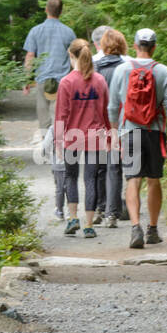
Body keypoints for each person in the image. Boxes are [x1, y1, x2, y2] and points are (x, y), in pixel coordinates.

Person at [108, 27, 167, 249]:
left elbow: (112, 106)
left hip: (129, 130)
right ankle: (153, 230)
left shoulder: (122, 70)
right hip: (155, 132)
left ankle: (135, 227)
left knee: (133, 179)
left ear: (135, 45)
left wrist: (115, 133)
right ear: (154, 46)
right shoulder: (164, 71)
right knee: (154, 179)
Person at [54, 38, 110, 238]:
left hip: (71, 137)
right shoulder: (100, 81)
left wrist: (58, 141)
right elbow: (105, 112)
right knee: (91, 179)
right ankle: (89, 225)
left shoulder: (67, 82)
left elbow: (61, 114)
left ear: (71, 56)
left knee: (70, 177)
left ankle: (72, 219)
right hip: (95, 136)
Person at [23, 0, 76, 131]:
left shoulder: (35, 31)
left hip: (42, 79)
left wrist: (26, 80)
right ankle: (59, 146)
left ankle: (46, 144)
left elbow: (30, 56)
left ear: (46, 9)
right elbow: (75, 58)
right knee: (60, 118)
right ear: (61, 12)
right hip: (63, 81)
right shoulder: (69, 32)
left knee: (44, 118)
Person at [93, 28, 129, 227]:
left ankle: (99, 207)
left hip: (98, 124)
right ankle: (112, 214)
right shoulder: (128, 67)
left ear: (102, 45)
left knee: (97, 168)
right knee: (115, 168)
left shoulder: (95, 67)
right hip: (122, 123)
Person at [40, 78, 67, 220]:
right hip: (70, 162)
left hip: (57, 164)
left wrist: (45, 154)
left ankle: (59, 210)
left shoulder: (52, 128)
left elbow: (45, 145)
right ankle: (72, 210)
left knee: (59, 188)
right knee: (69, 186)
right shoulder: (72, 127)